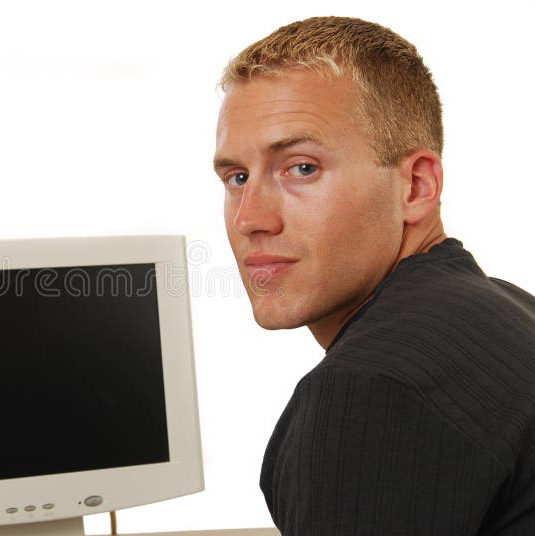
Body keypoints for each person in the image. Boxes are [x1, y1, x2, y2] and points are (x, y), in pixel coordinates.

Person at [213, 16, 535, 535]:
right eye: (238, 177)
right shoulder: (506, 309)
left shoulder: (373, 386)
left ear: (415, 187)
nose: (250, 218)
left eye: (302, 168)